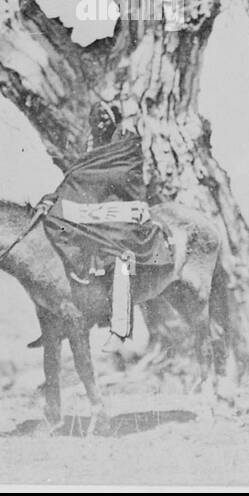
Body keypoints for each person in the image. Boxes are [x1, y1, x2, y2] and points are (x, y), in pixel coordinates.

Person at [37, 101, 173, 336]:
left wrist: (96, 179)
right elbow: (76, 178)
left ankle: (118, 324)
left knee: (116, 248)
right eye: (96, 118)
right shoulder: (90, 146)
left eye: (105, 117)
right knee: (55, 221)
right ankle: (79, 297)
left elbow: (122, 175)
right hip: (96, 209)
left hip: (125, 208)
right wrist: (52, 198)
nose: (100, 122)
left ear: (114, 119)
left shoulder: (126, 142)